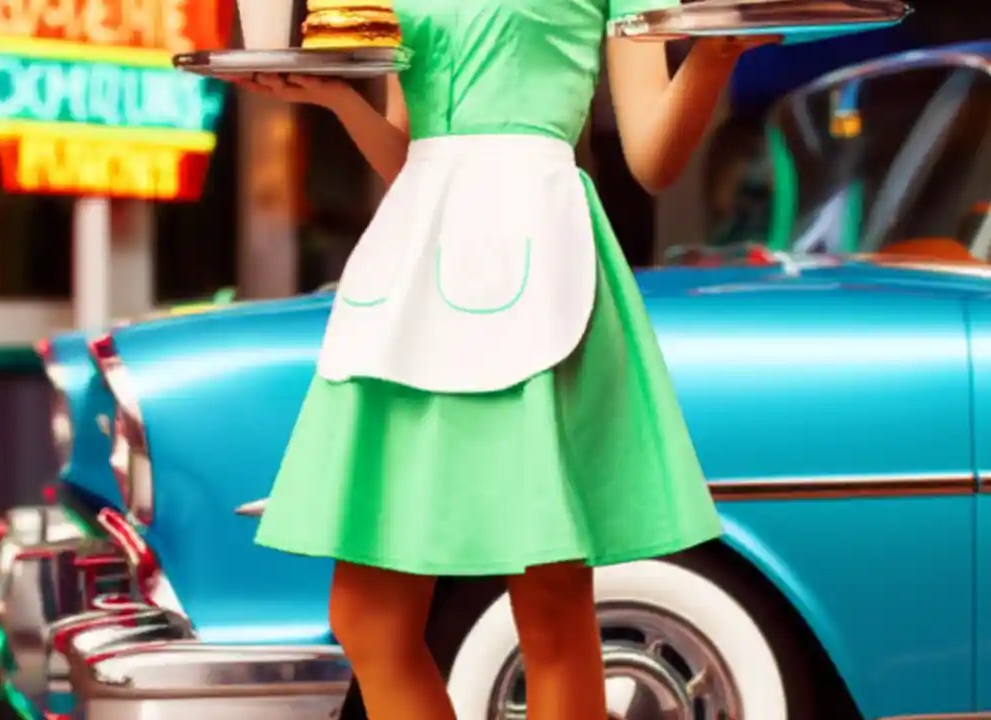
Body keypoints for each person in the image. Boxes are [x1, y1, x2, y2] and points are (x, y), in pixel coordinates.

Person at [233, 3, 772, 718]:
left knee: (549, 604)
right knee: (366, 617)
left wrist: (712, 57)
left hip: (535, 261)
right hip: (411, 272)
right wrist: (335, 97)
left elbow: (652, 157)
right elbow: (411, 154)